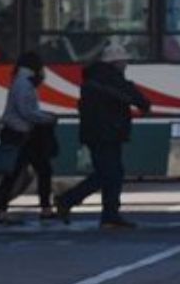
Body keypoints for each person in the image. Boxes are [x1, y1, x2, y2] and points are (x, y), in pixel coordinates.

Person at [54, 43, 150, 230]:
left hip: (97, 133)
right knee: (109, 174)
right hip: (107, 133)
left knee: (111, 173)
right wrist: (143, 105)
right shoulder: (111, 79)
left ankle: (109, 215)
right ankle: (68, 200)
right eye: (124, 61)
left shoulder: (94, 77)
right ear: (116, 62)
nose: (126, 65)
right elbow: (136, 97)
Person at [0, 52, 58, 223]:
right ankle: (42, 208)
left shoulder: (22, 81)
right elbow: (27, 111)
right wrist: (48, 118)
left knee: (25, 172)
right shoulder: (24, 83)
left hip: (24, 134)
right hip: (22, 135)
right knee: (23, 172)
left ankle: (42, 208)